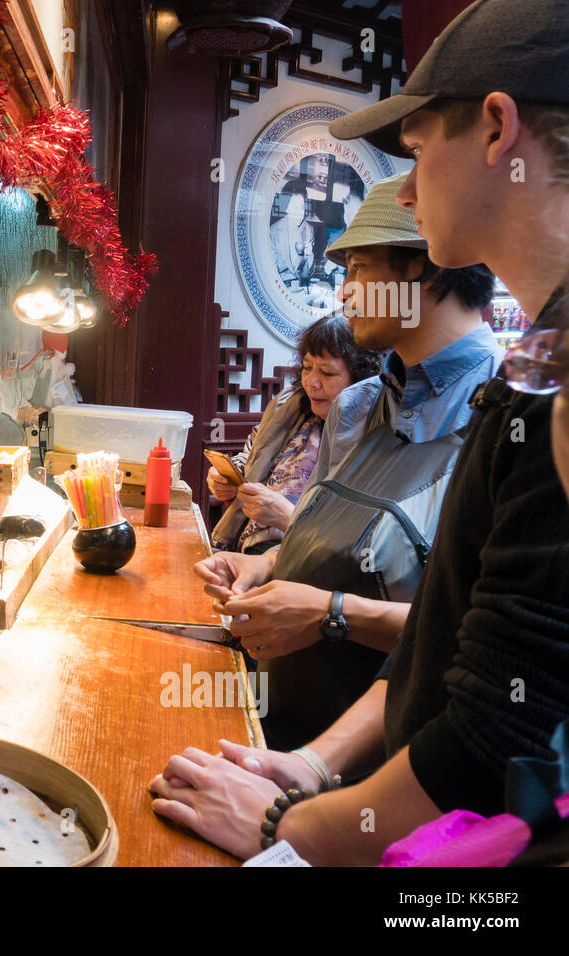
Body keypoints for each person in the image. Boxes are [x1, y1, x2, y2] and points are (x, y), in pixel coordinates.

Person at [148, 0, 569, 864]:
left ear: (497, 129)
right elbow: (451, 644)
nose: (408, 191)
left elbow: (500, 731)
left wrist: (284, 831)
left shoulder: (536, 391)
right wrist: (308, 769)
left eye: (416, 152)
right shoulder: (529, 376)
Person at [201, 172, 503, 750]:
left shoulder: (507, 413)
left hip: (382, 767)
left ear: (425, 267)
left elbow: (476, 632)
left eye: (359, 270)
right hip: (280, 731)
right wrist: (270, 570)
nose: (343, 292)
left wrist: (329, 611)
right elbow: (324, 536)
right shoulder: (359, 406)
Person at [209, 312, 382, 554]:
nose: (312, 382)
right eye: (307, 367)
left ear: (361, 378)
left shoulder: (375, 437)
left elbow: (364, 542)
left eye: (327, 373)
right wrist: (227, 478)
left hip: (302, 567)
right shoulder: (291, 408)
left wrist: (289, 517)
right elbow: (251, 456)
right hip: (245, 548)